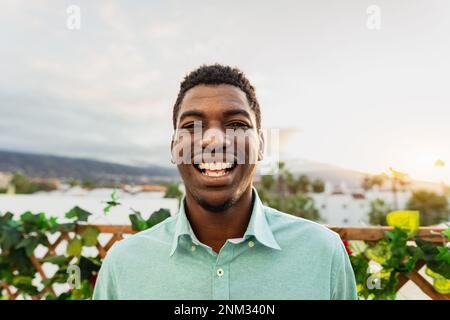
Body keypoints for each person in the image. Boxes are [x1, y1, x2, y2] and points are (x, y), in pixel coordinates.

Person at [93, 64, 357, 299]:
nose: (215, 140)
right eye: (191, 126)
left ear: (261, 146)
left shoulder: (323, 253)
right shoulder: (123, 265)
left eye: (237, 125)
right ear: (175, 147)